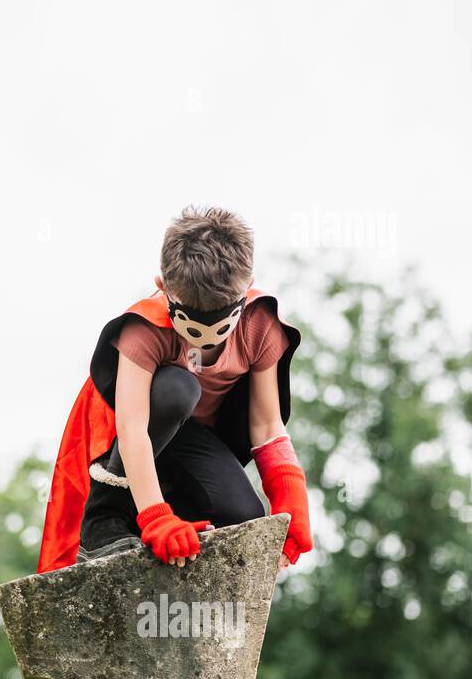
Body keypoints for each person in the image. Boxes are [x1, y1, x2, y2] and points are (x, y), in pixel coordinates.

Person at [36, 206, 312, 573]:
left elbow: (266, 425)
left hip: (195, 438)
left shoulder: (261, 325)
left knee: (243, 515)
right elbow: (132, 429)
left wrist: (291, 498)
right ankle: (108, 518)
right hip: (130, 433)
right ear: (163, 287)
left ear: (247, 287)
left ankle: (175, 503)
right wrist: (154, 517)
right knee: (178, 387)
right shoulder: (144, 329)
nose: (204, 341)